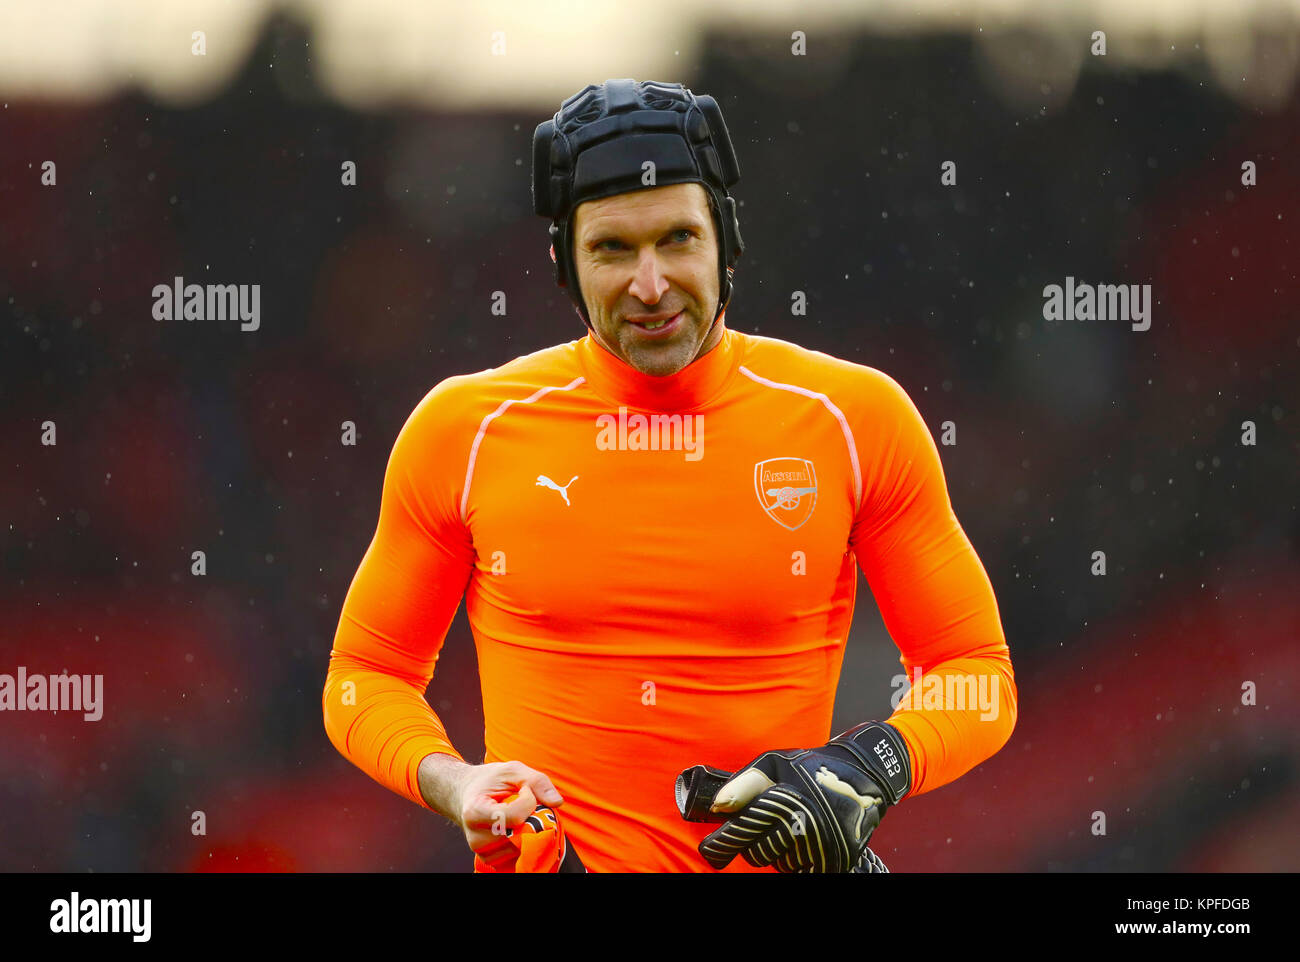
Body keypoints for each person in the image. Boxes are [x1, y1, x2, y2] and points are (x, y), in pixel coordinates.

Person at [323, 78, 1016, 873]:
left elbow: (977, 674)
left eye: (677, 240)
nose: (649, 287)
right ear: (564, 266)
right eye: (612, 249)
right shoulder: (464, 429)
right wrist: (456, 784)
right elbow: (363, 676)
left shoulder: (854, 420)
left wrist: (870, 766)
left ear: (727, 241)